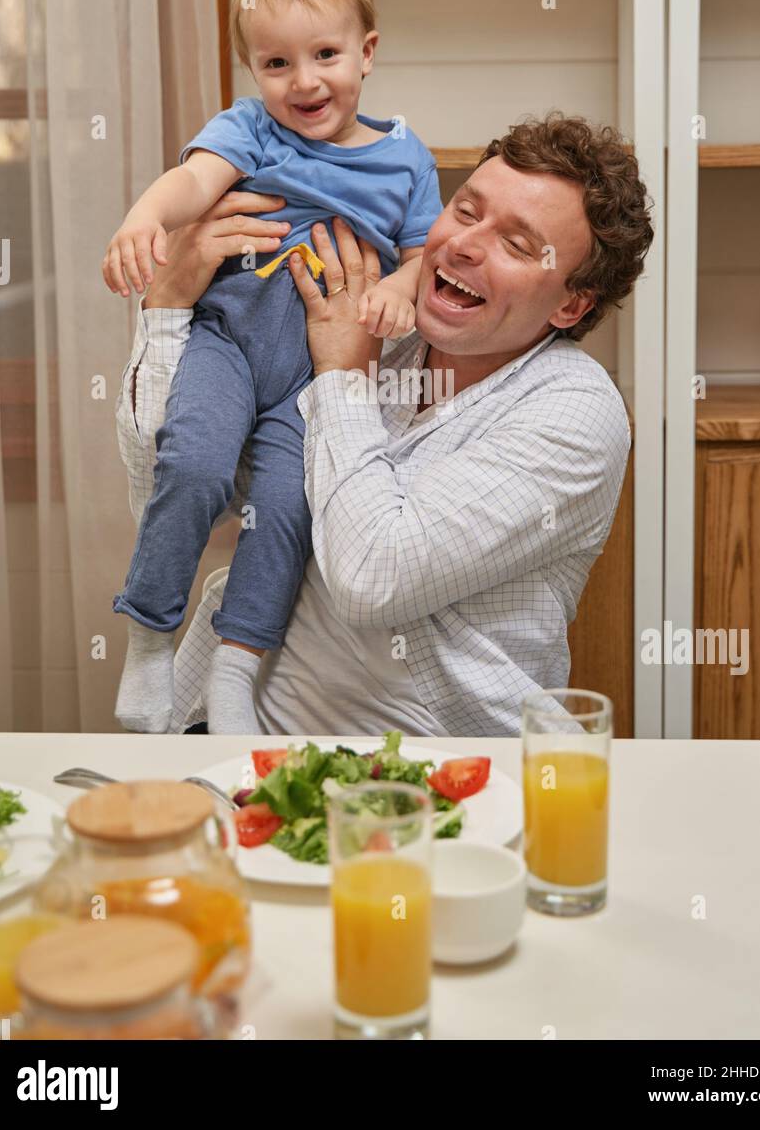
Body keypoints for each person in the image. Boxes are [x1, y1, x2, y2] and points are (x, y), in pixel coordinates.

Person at [115, 112, 654, 736]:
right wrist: (169, 305)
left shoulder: (574, 410)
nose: (465, 245)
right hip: (236, 728)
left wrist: (341, 377)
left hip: (443, 767)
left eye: (517, 244)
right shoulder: (375, 324)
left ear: (570, 303)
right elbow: (171, 489)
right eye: (467, 210)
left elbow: (373, 579)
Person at [105, 0, 442, 733]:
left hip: (315, 378)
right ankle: (151, 639)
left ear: (367, 52)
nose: (305, 81)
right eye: (276, 62)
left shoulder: (405, 159)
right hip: (228, 341)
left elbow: (425, 253)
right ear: (254, 72)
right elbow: (193, 182)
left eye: (325, 54)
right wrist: (145, 217)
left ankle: (235, 671)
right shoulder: (251, 130)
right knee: (190, 461)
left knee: (289, 506)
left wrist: (397, 287)